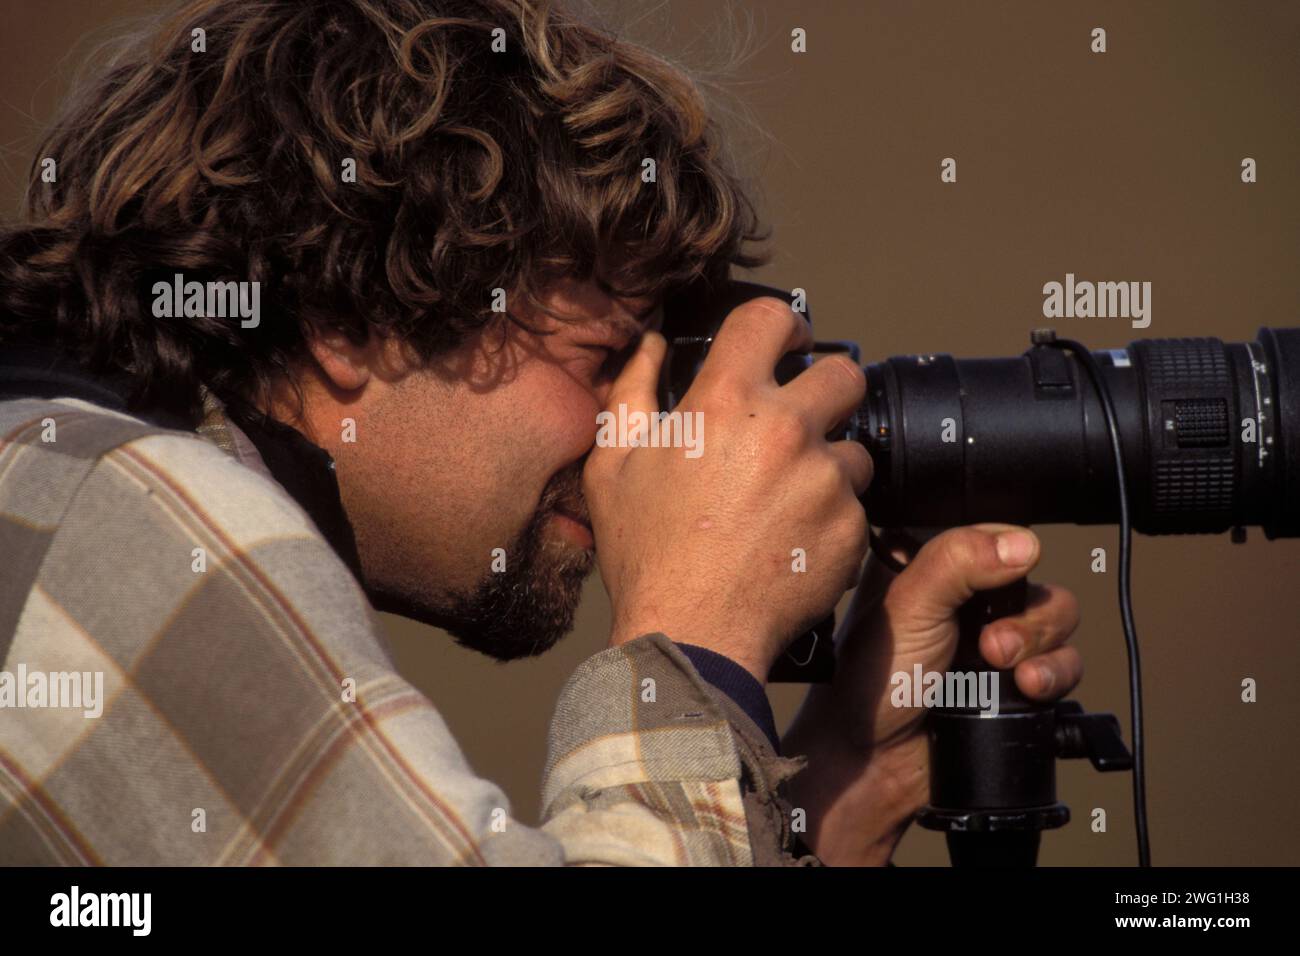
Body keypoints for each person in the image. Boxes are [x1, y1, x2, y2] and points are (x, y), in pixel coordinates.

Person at [0, 0, 1081, 865]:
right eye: (605, 360)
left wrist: (841, 779)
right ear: (348, 319)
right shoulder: (137, 515)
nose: (635, 437)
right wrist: (695, 640)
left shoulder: (64, 481)